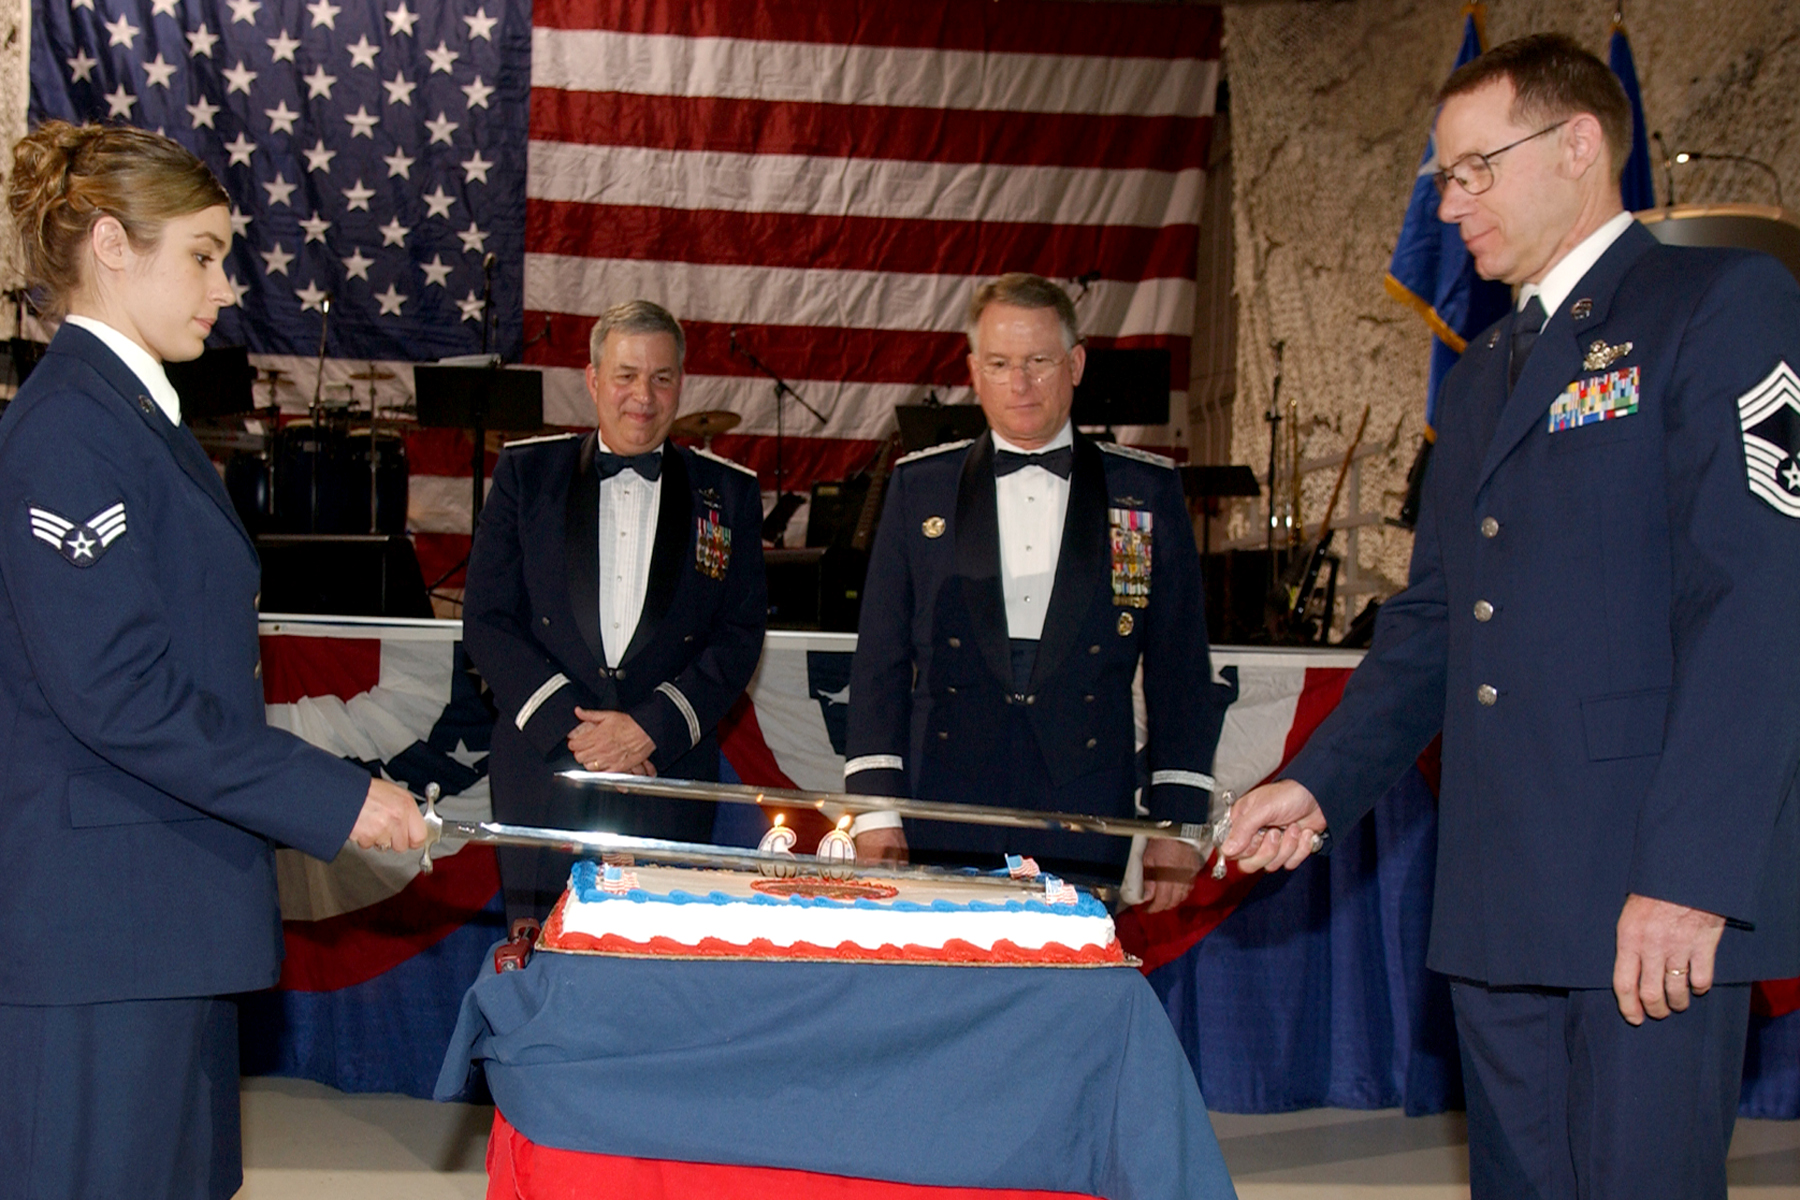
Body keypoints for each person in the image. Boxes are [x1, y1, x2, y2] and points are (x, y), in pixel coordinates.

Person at [1221, 34, 1800, 1200]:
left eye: (1475, 169)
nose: (1451, 203)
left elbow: (1760, 602)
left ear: (1579, 146)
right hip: (1500, 892)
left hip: (1647, 887)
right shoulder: (1486, 368)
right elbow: (1435, 618)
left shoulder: (1720, 303)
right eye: (1444, 177)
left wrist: (1694, 876)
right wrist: (1318, 783)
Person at [0, 122, 426, 1200]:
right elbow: (118, 694)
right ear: (109, 244)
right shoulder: (67, 431)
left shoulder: (138, 417)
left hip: (161, 914)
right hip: (100, 934)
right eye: (201, 252)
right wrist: (330, 796)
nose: (224, 286)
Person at [844, 273, 1223, 910]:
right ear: (974, 370)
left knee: (1072, 997)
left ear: (1074, 364)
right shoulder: (921, 489)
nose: (1019, 384)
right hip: (946, 795)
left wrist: (1178, 822)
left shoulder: (1146, 493)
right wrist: (875, 810)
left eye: (1039, 361)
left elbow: (1181, 671)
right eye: (1000, 363)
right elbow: (879, 662)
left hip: (1084, 798)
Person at [463, 300, 767, 920]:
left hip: (667, 772)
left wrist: (652, 727)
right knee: (539, 962)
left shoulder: (728, 494)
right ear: (593, 379)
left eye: (661, 377)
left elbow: (738, 634)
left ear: (680, 383)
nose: (643, 396)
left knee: (654, 971)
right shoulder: (527, 474)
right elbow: (486, 618)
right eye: (626, 375)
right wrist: (572, 731)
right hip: (545, 770)